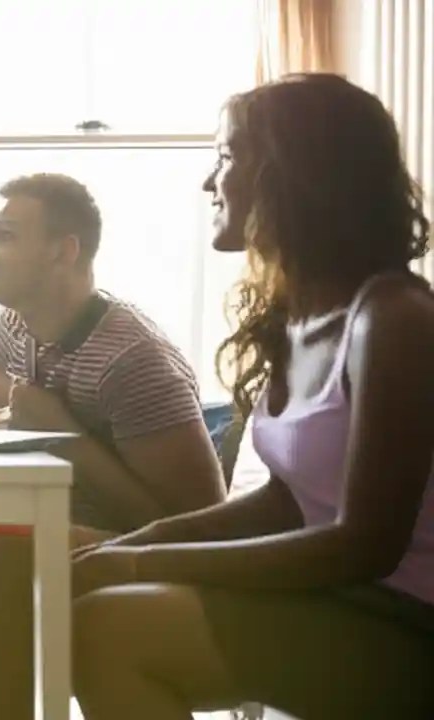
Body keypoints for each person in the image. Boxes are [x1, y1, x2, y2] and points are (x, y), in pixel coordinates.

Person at [70, 73, 434, 720]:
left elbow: (365, 544)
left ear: (290, 172)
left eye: (227, 156)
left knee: (104, 629)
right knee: (81, 596)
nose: (209, 182)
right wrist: (135, 545)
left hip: (405, 622)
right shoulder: (299, 317)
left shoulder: (395, 320)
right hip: (342, 601)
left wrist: (139, 564)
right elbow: (289, 500)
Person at [0, 173, 226, 719]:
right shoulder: (17, 325)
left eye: (4, 236)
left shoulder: (135, 360)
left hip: (136, 550)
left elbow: (198, 523)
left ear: (62, 252)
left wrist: (66, 437)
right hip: (43, 531)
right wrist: (14, 420)